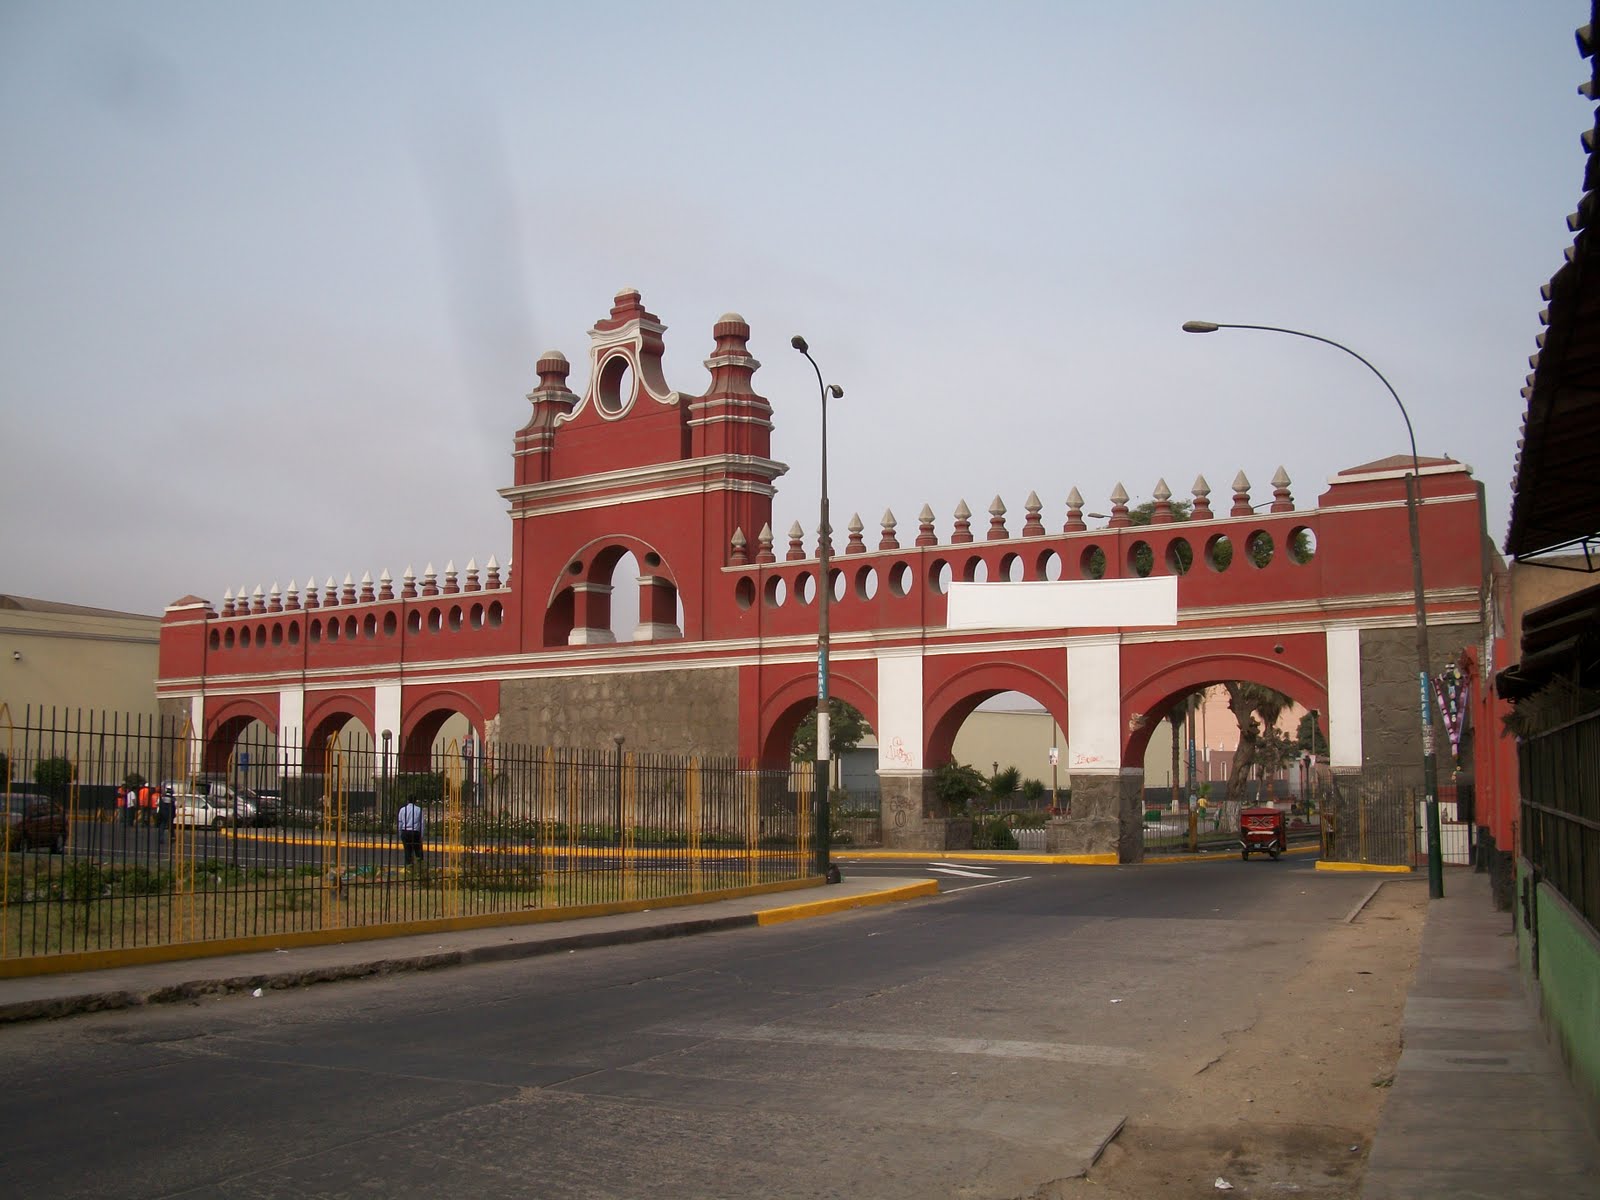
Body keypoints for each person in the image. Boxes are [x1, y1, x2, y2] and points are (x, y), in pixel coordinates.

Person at [397, 798, 425, 868]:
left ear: (407, 801)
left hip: (405, 831)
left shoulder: (402, 809)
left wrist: (400, 833)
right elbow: (422, 823)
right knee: (418, 851)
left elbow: (400, 823)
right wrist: (421, 835)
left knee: (407, 851)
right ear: (415, 801)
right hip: (415, 832)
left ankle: (409, 867)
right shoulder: (418, 809)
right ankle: (420, 867)